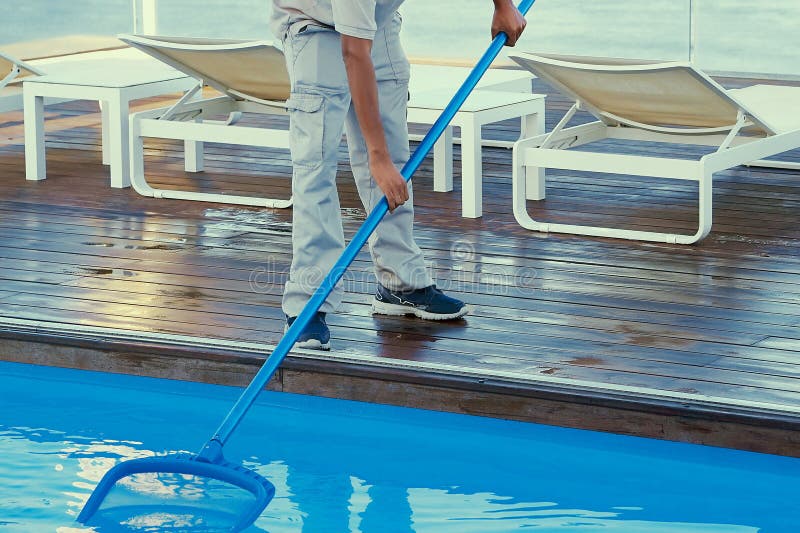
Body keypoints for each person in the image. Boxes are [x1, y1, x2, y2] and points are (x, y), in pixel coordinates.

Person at [271, 0, 527, 350]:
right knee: (316, 164)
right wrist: (376, 159)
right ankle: (307, 304)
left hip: (376, 21)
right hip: (314, 25)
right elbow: (354, 53)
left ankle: (400, 284)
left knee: (395, 156)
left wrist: (503, 5)